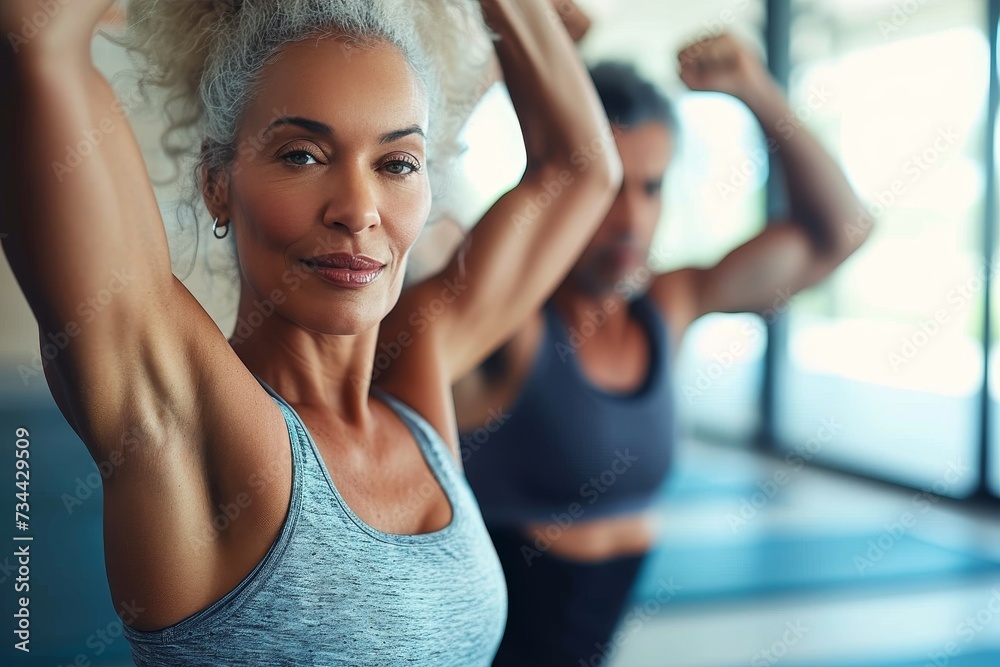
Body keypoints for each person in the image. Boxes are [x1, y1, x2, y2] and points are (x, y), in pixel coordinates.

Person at [0, 0, 622, 664]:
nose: (357, 209)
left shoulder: (416, 384)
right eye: (302, 155)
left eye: (397, 163)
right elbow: (35, 35)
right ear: (216, 182)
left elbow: (582, 168)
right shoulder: (183, 418)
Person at [453, 34, 871, 666]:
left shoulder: (667, 307)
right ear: (557, 183)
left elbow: (840, 232)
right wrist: (513, 54)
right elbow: (419, 196)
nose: (631, 220)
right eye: (609, 188)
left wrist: (755, 90)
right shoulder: (499, 319)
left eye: (651, 188)